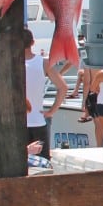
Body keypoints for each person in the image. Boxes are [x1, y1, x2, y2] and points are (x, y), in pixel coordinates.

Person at [25, 28, 68, 161]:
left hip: (17, 123)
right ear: (32, 42)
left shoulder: (10, 64)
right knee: (42, 165)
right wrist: (51, 111)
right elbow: (63, 87)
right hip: (38, 121)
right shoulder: (43, 63)